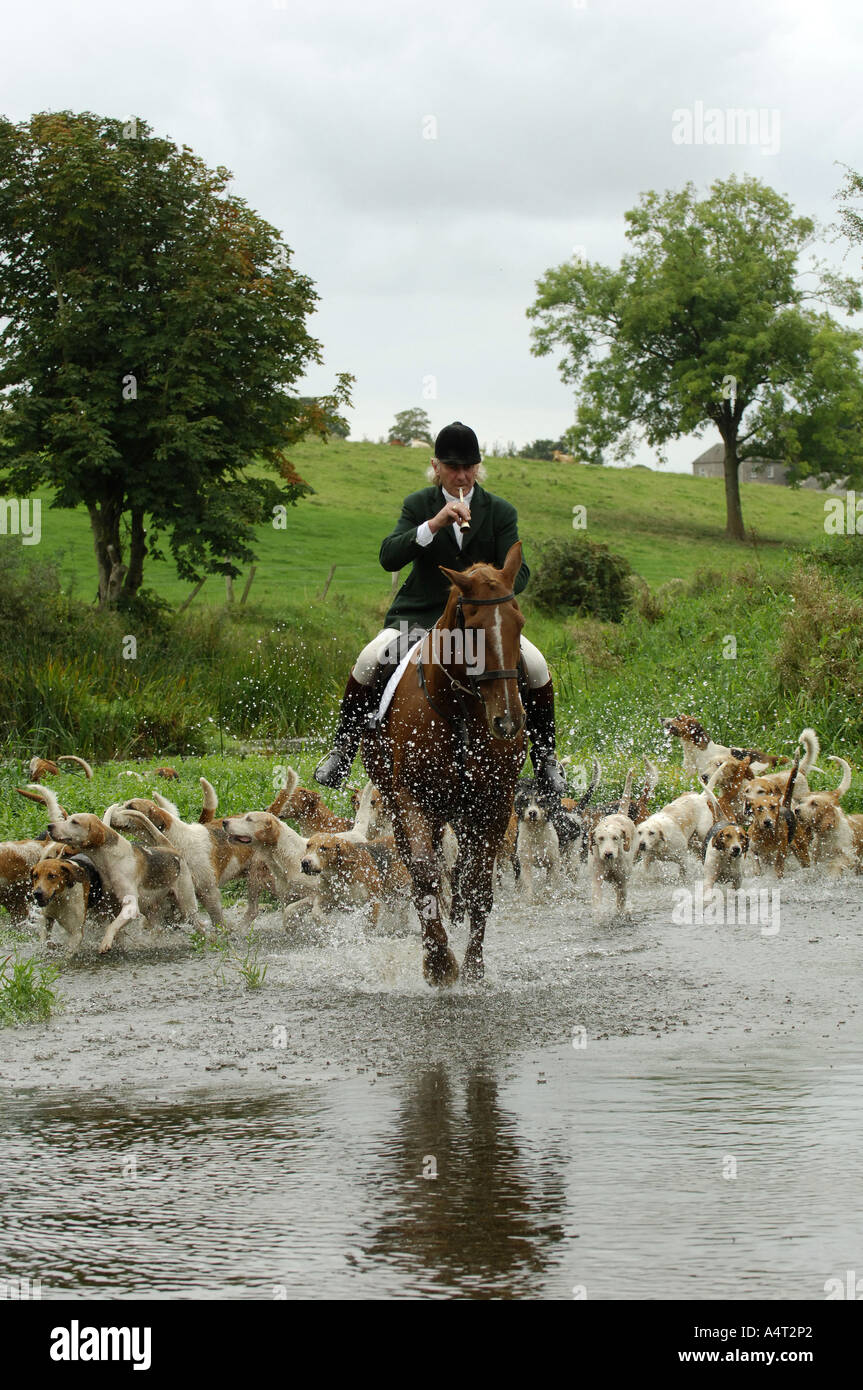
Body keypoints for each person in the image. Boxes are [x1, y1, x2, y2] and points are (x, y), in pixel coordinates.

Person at [314, 421, 567, 794]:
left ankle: (545, 758)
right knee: (369, 660)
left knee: (537, 665)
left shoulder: (500, 511)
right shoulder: (419, 504)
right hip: (419, 616)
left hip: (483, 621)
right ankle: (343, 750)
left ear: (478, 467)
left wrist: (489, 589)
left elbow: (521, 572)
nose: (461, 475)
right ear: (436, 467)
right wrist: (433, 524)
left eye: (469, 467)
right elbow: (389, 557)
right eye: (452, 467)